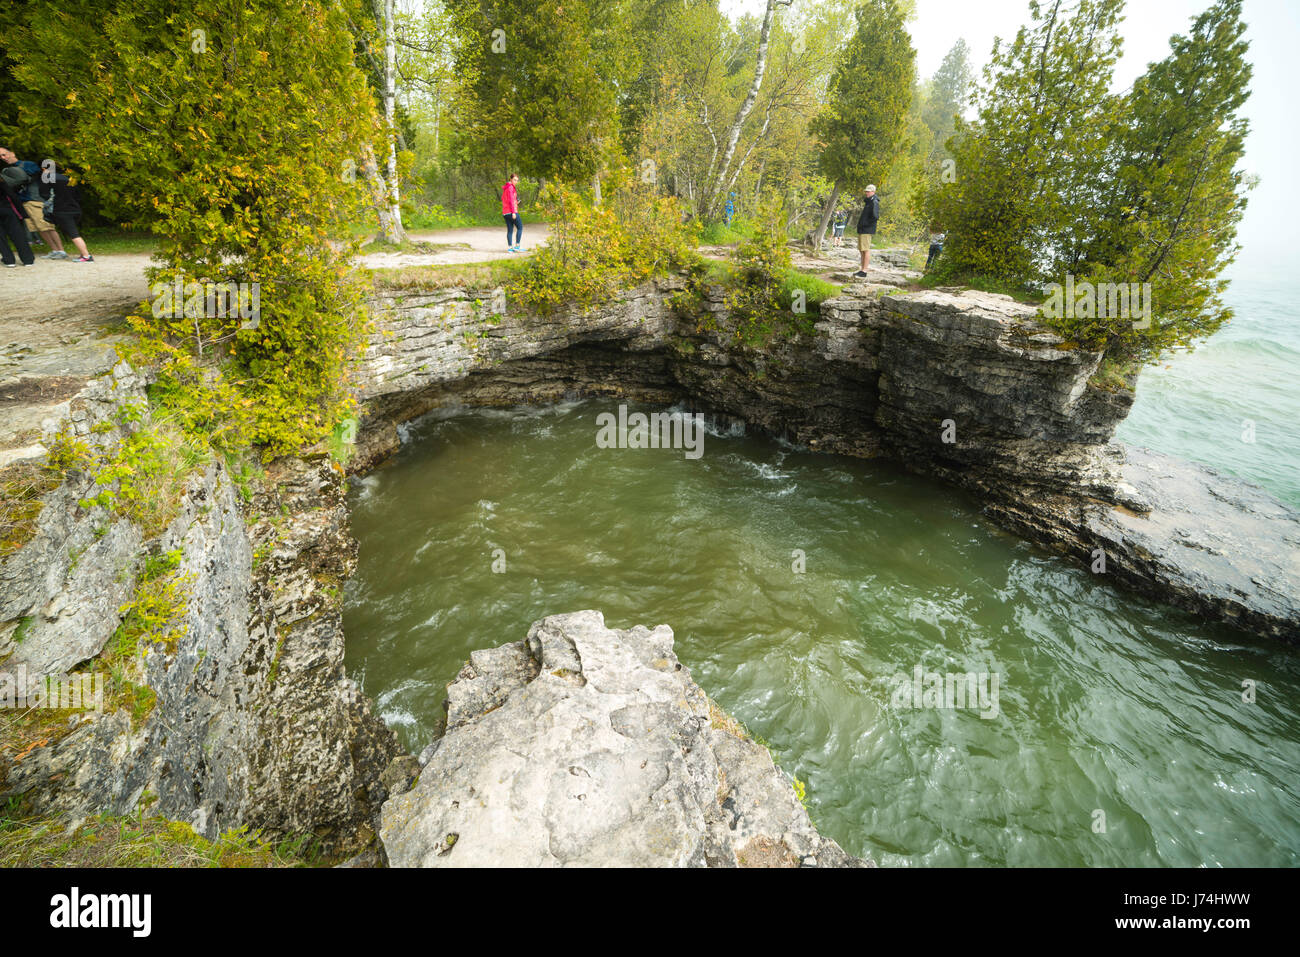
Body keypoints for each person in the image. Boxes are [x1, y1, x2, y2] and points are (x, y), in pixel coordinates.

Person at [0, 147, 66, 259]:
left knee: (47, 226)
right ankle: (54, 250)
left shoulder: (27, 165)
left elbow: (42, 176)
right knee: (38, 228)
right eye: (1, 156)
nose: (3, 158)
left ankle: (61, 250)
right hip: (24, 201)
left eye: (4, 154)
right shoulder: (8, 170)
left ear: (12, 153)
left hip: (35, 199)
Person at [38, 165, 93, 262]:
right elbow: (78, 196)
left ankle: (86, 256)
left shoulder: (47, 178)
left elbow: (44, 194)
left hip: (62, 210)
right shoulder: (69, 178)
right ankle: (83, 253)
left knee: (74, 234)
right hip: (75, 209)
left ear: (44, 169)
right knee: (74, 232)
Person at [0, 151, 35, 267]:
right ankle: (27, 259)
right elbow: (11, 195)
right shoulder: (1, 179)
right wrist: (22, 212)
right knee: (17, 233)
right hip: (6, 209)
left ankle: (9, 260)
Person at [853, 185, 879, 279]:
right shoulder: (868, 202)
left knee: (865, 249)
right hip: (862, 229)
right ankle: (862, 269)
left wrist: (865, 224)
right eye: (866, 191)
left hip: (866, 230)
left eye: (868, 191)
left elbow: (875, 217)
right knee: (861, 249)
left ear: (873, 192)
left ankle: (864, 271)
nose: (866, 193)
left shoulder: (874, 202)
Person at [502, 173, 522, 252]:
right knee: (520, 227)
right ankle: (517, 246)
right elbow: (510, 200)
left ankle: (510, 248)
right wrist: (513, 212)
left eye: (517, 180)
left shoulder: (506, 188)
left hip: (505, 212)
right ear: (511, 179)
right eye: (514, 180)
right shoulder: (511, 188)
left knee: (510, 230)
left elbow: (507, 200)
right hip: (511, 212)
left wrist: (516, 202)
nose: (516, 182)